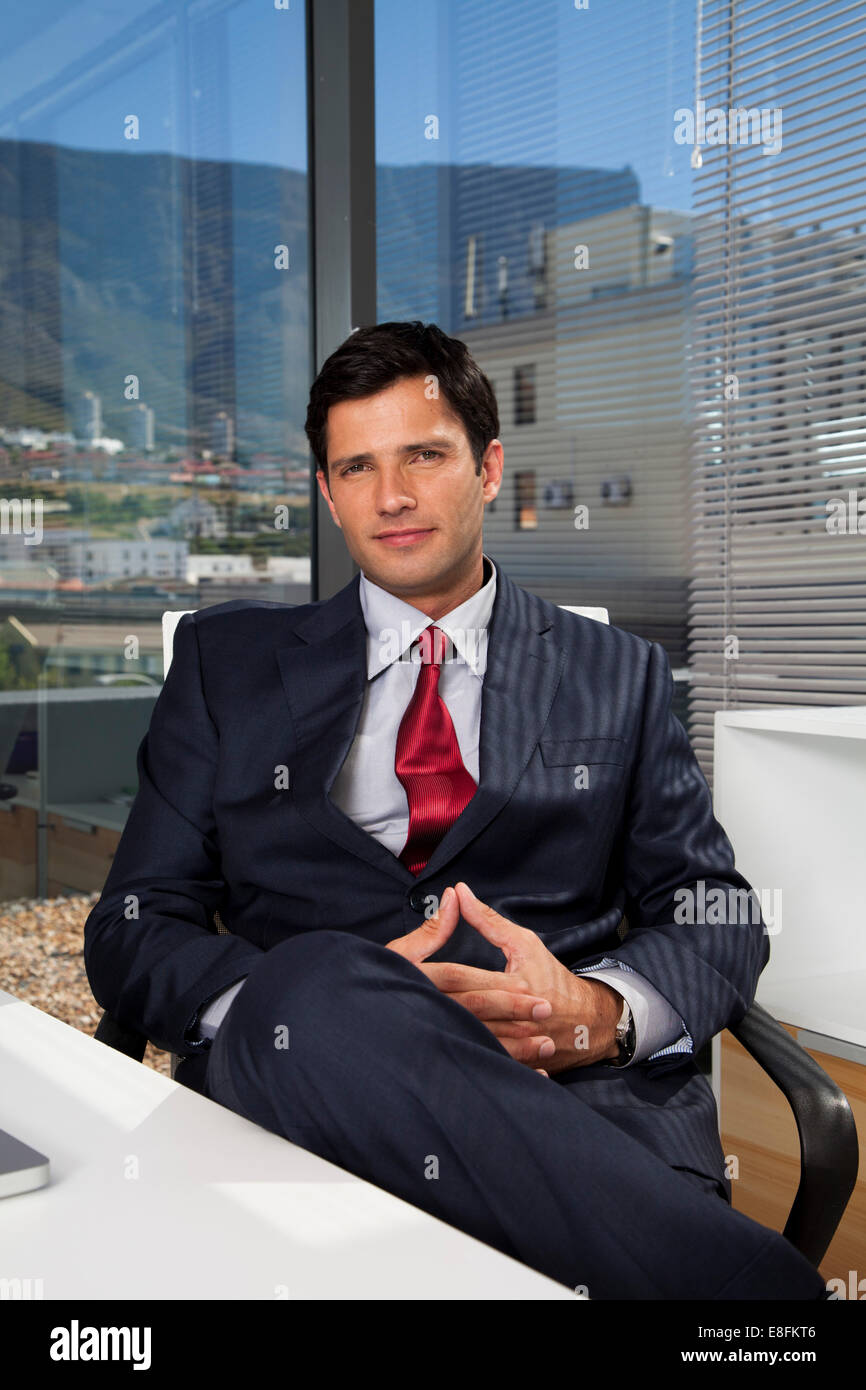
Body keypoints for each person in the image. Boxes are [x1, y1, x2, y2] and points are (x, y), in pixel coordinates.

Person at [84, 320, 825, 1300]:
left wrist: (596, 1014)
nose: (389, 496)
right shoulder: (228, 671)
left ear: (486, 468)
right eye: (356, 467)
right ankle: (767, 1311)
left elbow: (710, 907)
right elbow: (134, 926)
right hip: (297, 1101)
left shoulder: (618, 674)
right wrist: (286, 1012)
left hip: (575, 1099)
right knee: (313, 984)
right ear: (326, 493)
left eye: (422, 455)